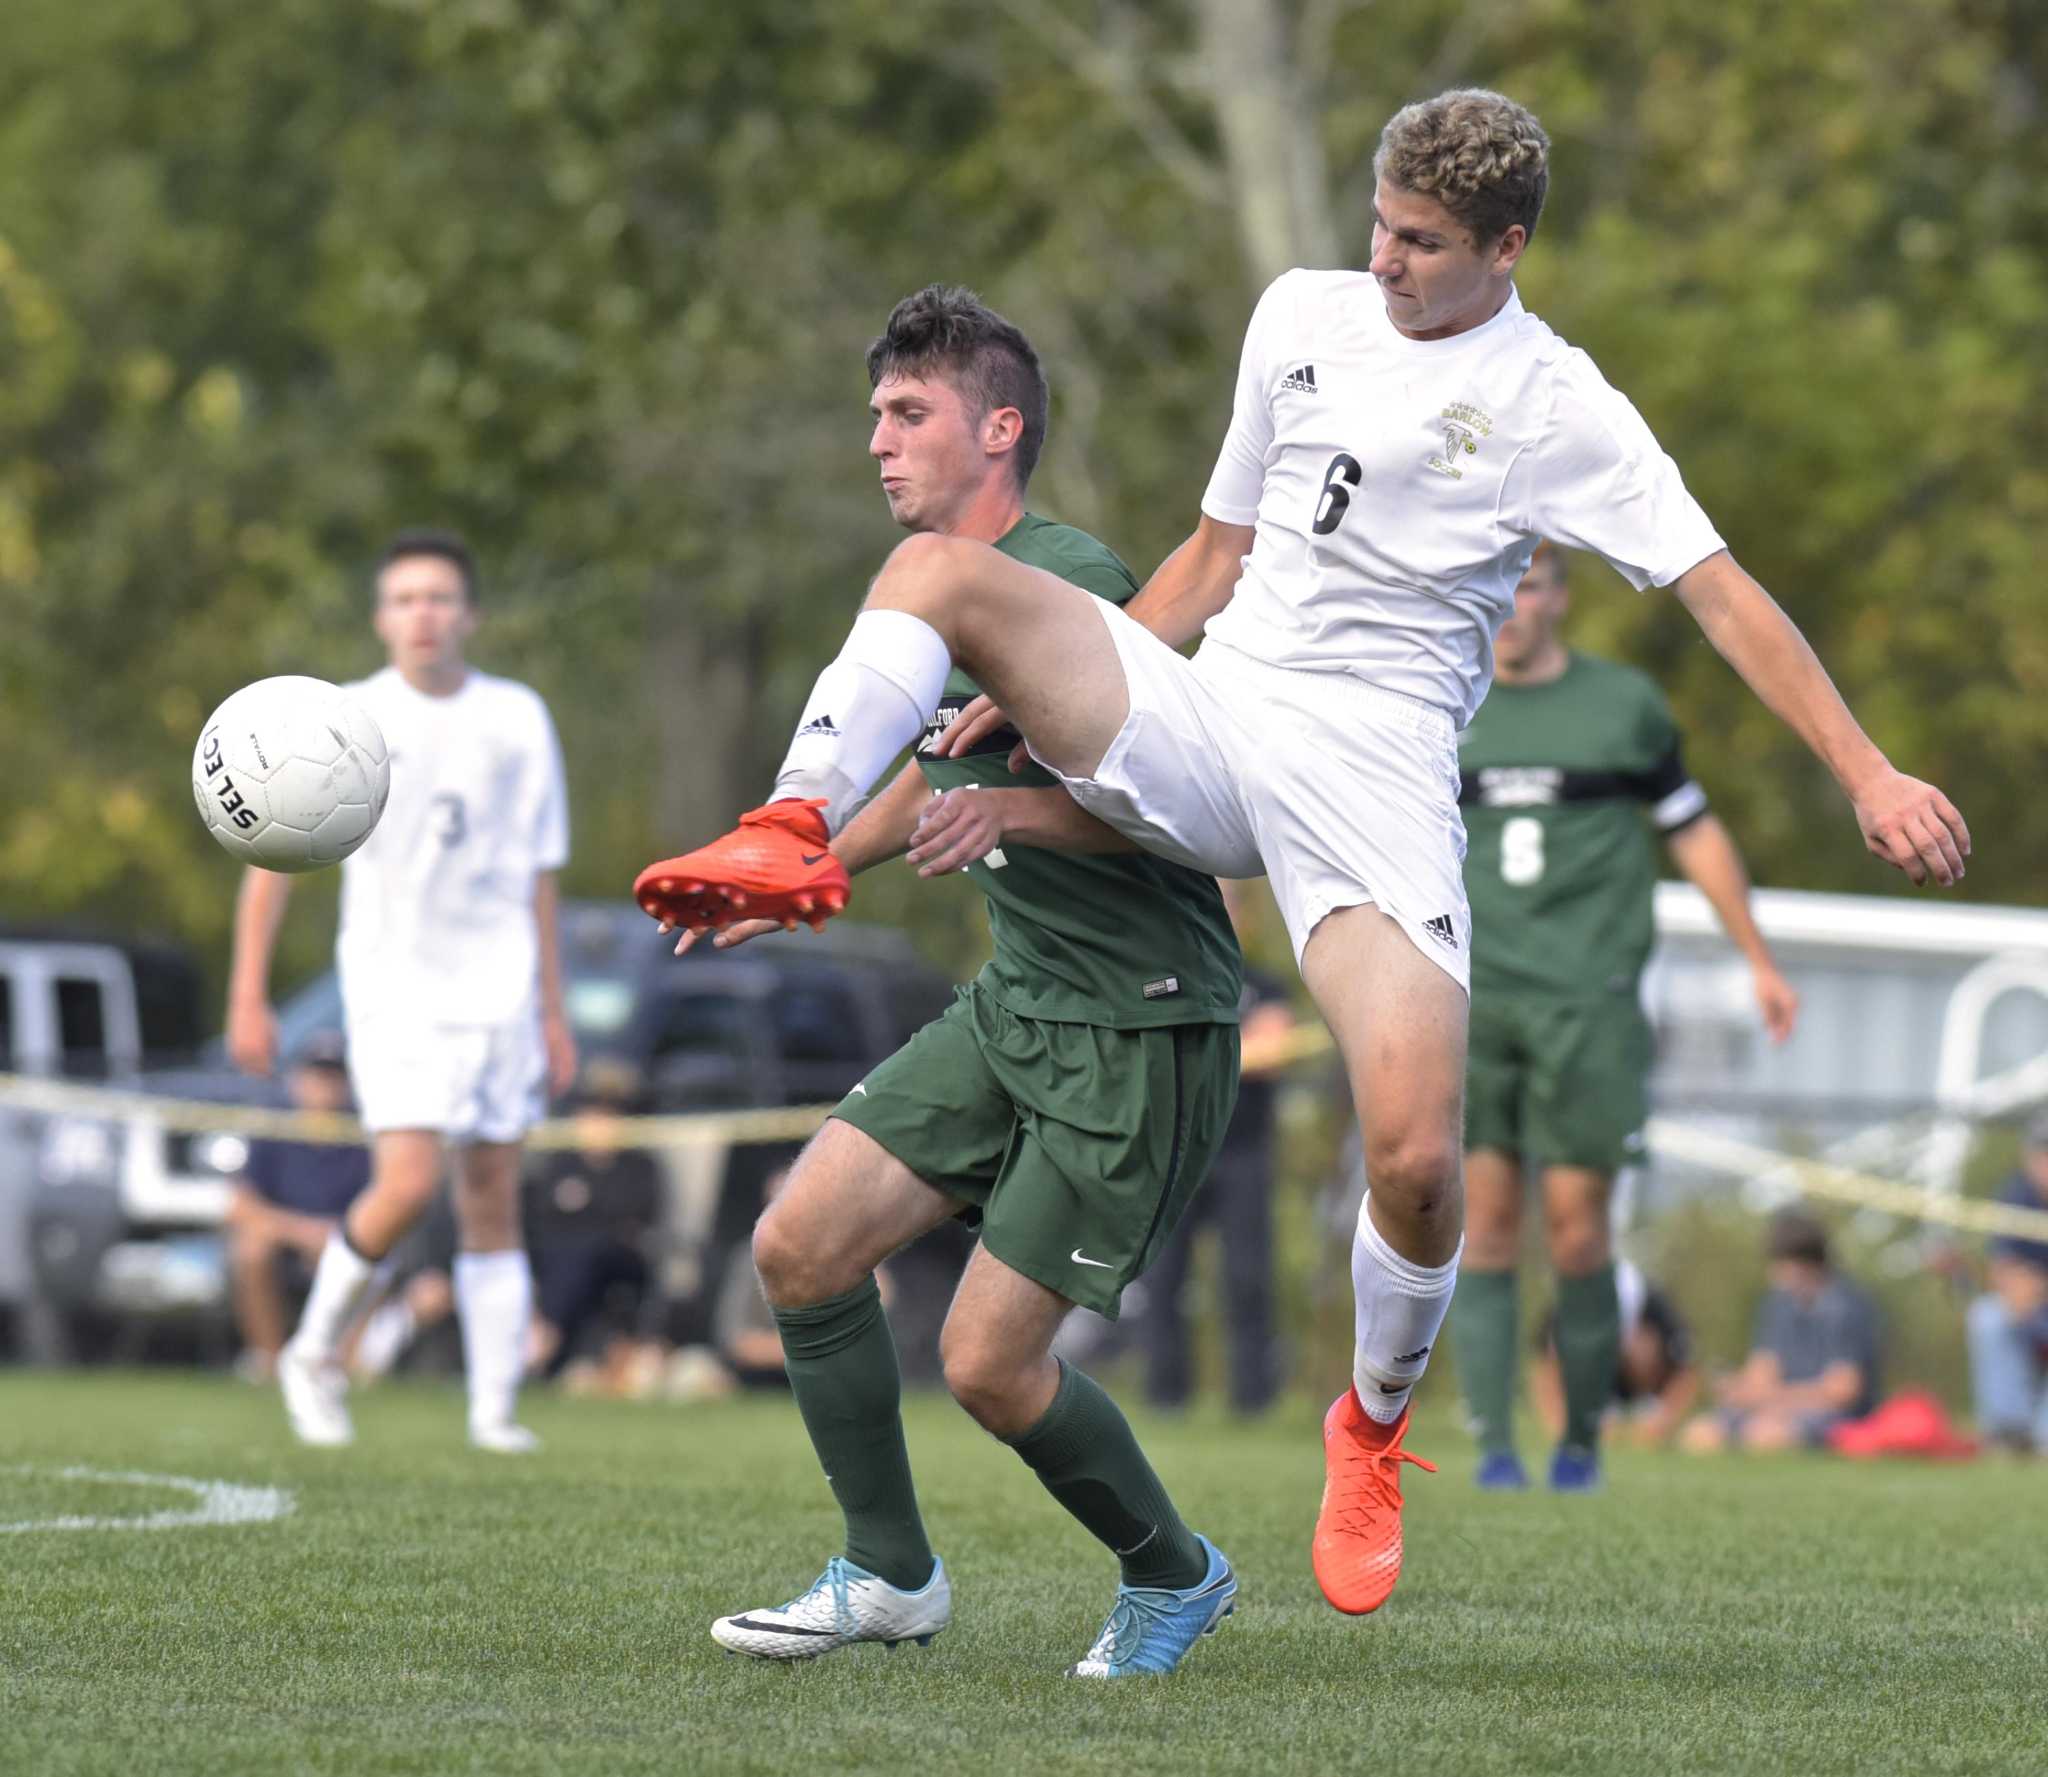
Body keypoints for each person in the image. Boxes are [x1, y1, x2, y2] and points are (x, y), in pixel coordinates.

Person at [635, 90, 1968, 1615]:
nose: (1387, 262)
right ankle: (789, 818)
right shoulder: (1302, 314)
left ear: (1507, 247)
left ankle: (1376, 1424)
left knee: (1412, 1152)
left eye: (1423, 243)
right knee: (943, 570)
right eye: (1381, 226)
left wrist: (1865, 768)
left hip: (1381, 775)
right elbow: (1215, 556)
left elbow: (1724, 593)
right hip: (1218, 714)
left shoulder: (1560, 405)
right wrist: (1059, 685)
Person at [658, 286, 1244, 1678]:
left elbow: (1196, 806)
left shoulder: (1075, 585)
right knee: (798, 1243)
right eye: (874, 415)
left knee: (987, 1365)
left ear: (999, 427)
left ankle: (1176, 1572)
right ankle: (887, 1575)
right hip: (1019, 1001)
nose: (878, 442)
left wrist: (1019, 816)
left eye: (907, 414)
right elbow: (933, 767)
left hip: (1140, 1017)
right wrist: (799, 877)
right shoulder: (929, 609)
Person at [1451, 542, 1800, 1492]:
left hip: (1589, 1007)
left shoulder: (1623, 707)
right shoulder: (1442, 700)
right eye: (1502, 585)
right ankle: (1492, 1447)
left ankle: (1579, 1446)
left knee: (1576, 1230)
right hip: (1475, 1002)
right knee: (1481, 1227)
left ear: (1559, 597)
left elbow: (1693, 828)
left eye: (1531, 584)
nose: (1514, 605)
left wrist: (1758, 958)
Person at [227, 528, 577, 1451]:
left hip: (499, 987)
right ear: (382, 617)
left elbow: (539, 870)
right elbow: (271, 859)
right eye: (405, 598)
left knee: (493, 1190)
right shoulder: (342, 717)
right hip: (396, 987)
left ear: (470, 614)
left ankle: (494, 1410)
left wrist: (551, 1008)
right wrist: (247, 994)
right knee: (410, 1183)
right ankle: (312, 1352)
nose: (423, 613)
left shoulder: (517, 716)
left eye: (439, 597)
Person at [1142, 879, 1298, 1415]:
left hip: (1244, 1154)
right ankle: (1166, 1396)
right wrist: (1240, 1047)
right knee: (1163, 1279)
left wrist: (1205, 1048)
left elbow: (1271, 1051)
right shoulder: (1165, 981)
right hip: (1178, 1149)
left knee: (1247, 1279)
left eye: (1227, 905)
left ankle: (1253, 1402)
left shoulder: (1267, 986)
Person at [223, 1033, 370, 1382]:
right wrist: (301, 1231)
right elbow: (239, 1207)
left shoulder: (361, 1135)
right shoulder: (275, 1128)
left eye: (334, 1076)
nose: (324, 1086)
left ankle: (333, 1361)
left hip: (340, 1242)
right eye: (317, 1075)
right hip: (289, 1240)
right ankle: (270, 1362)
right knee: (251, 1248)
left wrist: (332, 1236)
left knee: (357, 1254)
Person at [1680, 1210, 1880, 1453]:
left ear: (1805, 1264)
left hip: (1833, 1417)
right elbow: (1763, 1369)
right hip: (1774, 1408)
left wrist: (1774, 1399)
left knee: (1764, 1437)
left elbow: (1842, 1391)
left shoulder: (1847, 1306)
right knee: (1701, 1434)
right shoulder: (1778, 1303)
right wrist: (1740, 1389)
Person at [521, 1060, 663, 1382]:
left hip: (617, 1261)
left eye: (610, 1112)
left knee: (584, 1251)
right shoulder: (558, 1164)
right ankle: (540, 1340)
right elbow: (538, 1220)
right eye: (592, 1110)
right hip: (554, 1264)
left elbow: (637, 1222)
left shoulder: (639, 1168)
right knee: (565, 1257)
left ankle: (544, 1339)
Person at [1528, 1258, 1699, 1450]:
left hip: (1646, 1397)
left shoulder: (1656, 1307)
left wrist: (1660, 1423)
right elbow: (1544, 1368)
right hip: (1589, 1388)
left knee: (1643, 1350)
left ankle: (1642, 1409)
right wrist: (1560, 1426)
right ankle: (1592, 1409)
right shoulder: (1569, 1303)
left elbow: (1687, 1372)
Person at [1966, 1110, 2048, 1454]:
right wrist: (2023, 1289)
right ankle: (2009, 1432)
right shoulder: (2015, 1194)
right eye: (2042, 1153)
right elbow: (2003, 1270)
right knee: (1989, 1315)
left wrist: (2036, 1286)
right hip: (2032, 1314)